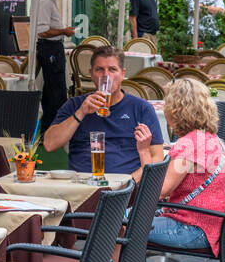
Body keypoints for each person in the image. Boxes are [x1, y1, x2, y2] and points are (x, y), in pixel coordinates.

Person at [101, 76, 225, 262]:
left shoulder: (189, 146)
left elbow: (157, 191)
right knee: (129, 219)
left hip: (194, 228)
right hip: (213, 225)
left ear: (176, 110)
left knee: (126, 221)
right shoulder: (211, 140)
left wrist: (143, 152)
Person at [43, 45, 164, 177]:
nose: (106, 75)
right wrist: (81, 113)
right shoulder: (75, 105)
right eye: (99, 69)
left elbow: (157, 156)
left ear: (123, 74)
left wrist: (130, 183)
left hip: (126, 186)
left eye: (112, 69)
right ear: (91, 74)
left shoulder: (141, 108)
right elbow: (49, 144)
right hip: (83, 186)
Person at [34, 0, 77, 130]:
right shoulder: (44, 1)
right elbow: (43, 31)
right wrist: (63, 31)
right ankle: (51, 127)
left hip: (54, 47)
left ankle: (52, 125)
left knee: (55, 87)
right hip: (50, 48)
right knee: (55, 89)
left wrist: (62, 30)